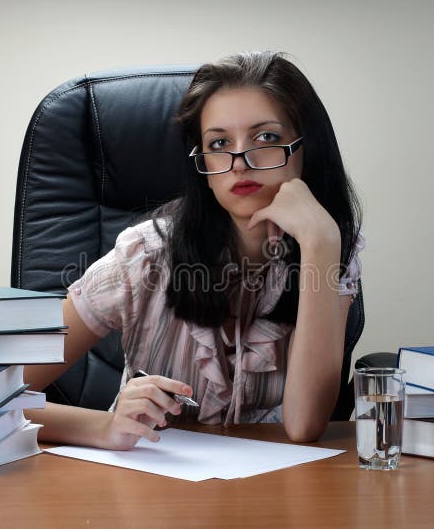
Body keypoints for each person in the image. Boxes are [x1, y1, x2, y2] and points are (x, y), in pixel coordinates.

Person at [24, 51, 364, 449]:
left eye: (266, 138)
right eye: (219, 143)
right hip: (151, 492)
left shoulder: (327, 247)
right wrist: (104, 426)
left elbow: (304, 426)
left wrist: (321, 243)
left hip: (275, 493)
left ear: (307, 148)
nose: (239, 162)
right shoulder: (145, 255)